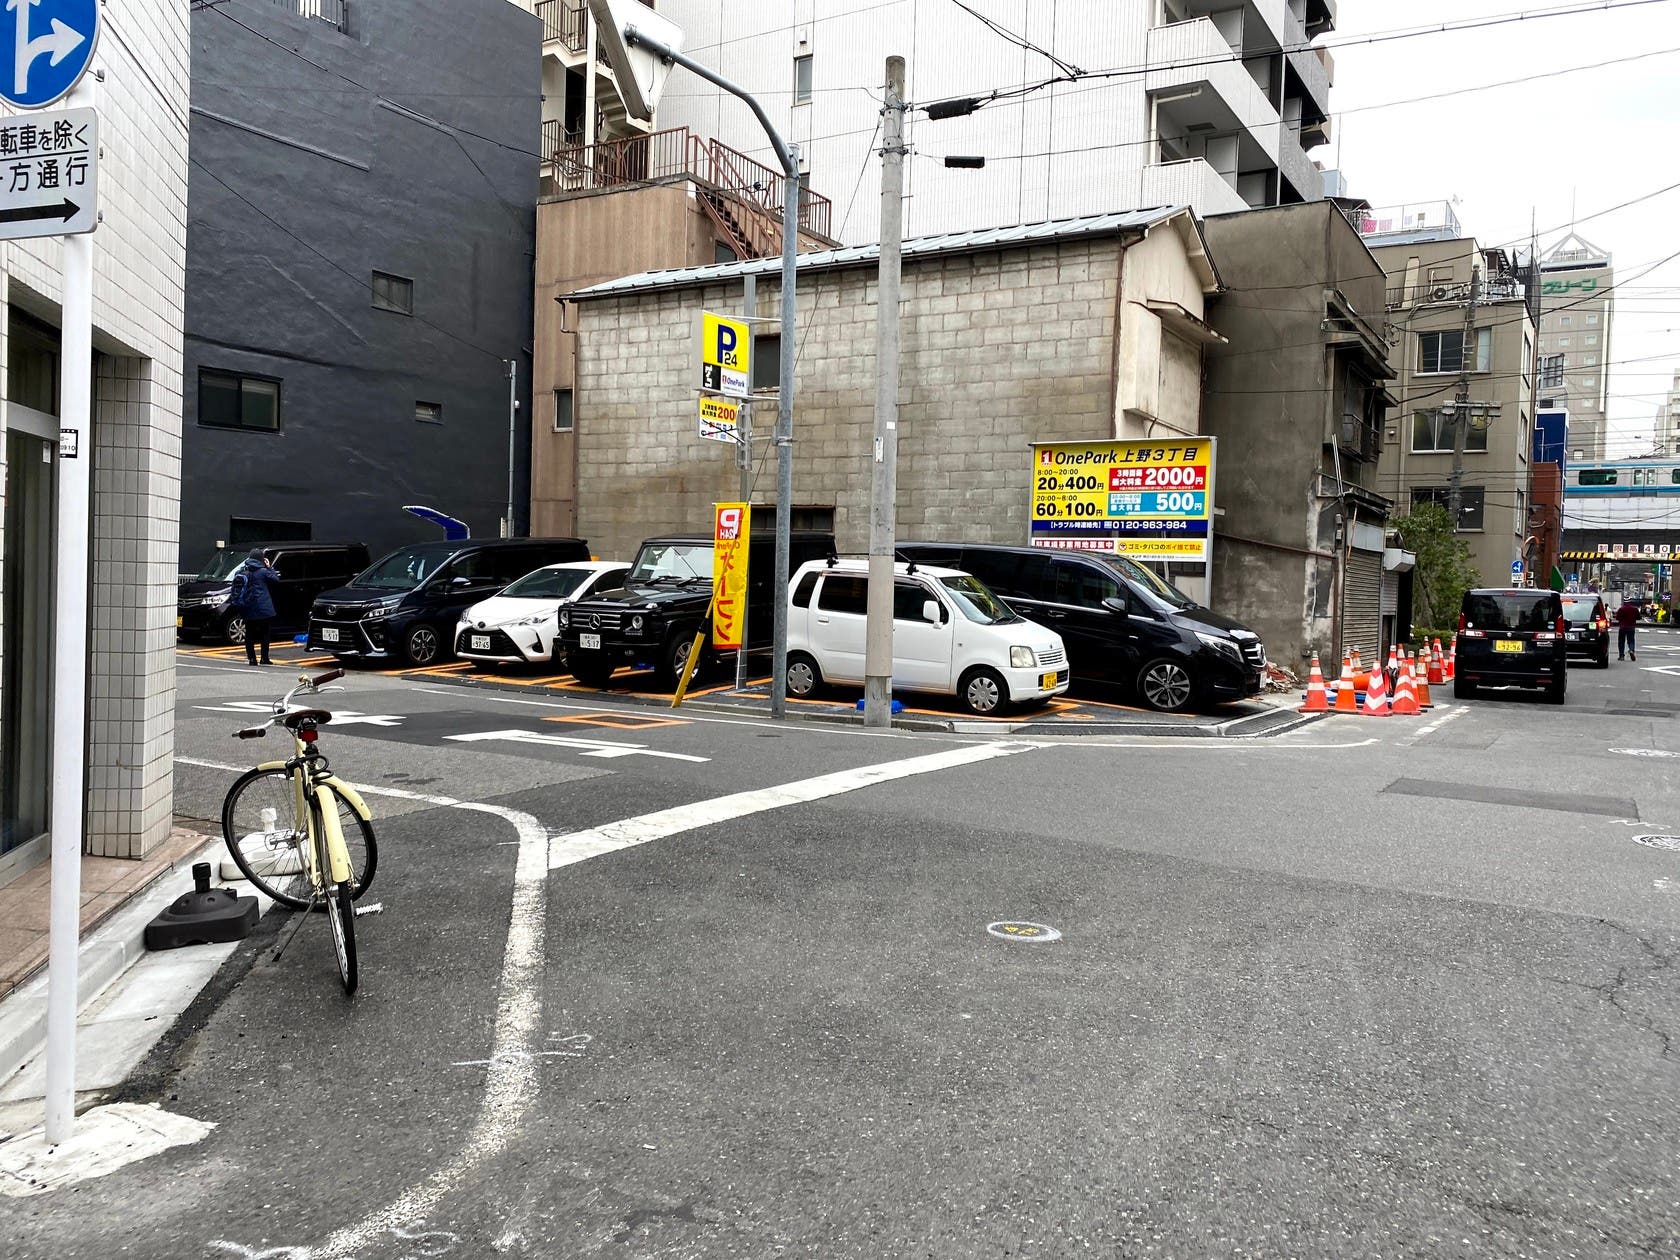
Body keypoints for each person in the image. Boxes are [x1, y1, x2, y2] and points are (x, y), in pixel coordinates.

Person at [233, 549, 281, 666]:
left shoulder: (242, 571)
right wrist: (269, 567)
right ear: (261, 559)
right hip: (263, 607)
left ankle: (252, 659)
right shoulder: (263, 571)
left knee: (249, 634)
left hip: (247, 607)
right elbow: (276, 580)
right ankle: (264, 658)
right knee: (265, 633)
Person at [1614, 597, 1639, 662]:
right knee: (1631, 640)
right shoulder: (1635, 609)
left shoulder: (1621, 609)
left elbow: (1617, 618)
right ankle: (1631, 650)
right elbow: (1639, 617)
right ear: (1630, 602)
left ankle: (1621, 656)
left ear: (1624, 602)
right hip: (1631, 627)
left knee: (1621, 641)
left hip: (1622, 627)